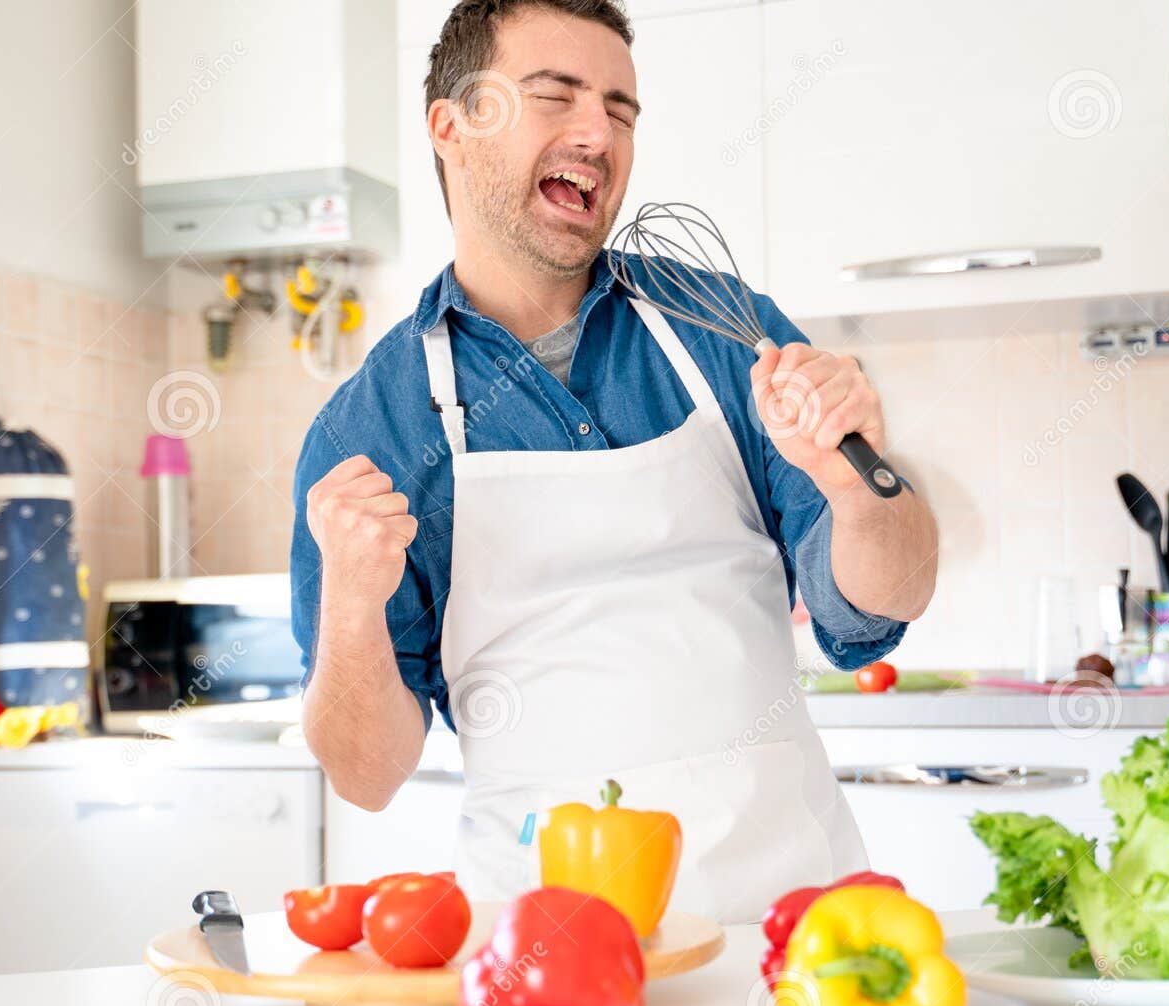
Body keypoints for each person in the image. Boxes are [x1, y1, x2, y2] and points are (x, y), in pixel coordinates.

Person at [291, 0, 938, 921]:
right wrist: (353, 602)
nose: (599, 135)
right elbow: (366, 774)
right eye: (556, 96)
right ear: (452, 125)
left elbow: (887, 601)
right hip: (546, 942)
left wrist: (858, 489)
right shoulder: (372, 429)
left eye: (621, 111)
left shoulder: (725, 329)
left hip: (795, 925)